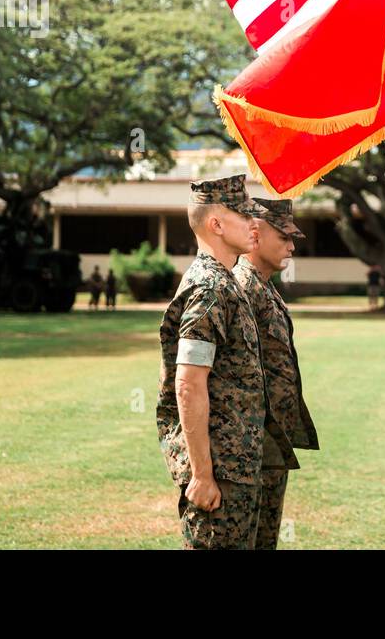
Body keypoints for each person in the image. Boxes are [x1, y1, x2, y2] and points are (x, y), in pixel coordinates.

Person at [156, 175, 291, 550]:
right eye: (244, 215)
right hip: (220, 471)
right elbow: (188, 383)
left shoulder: (226, 282)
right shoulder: (210, 287)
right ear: (216, 224)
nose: (254, 224)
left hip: (238, 466)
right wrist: (201, 474)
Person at [235, 198, 317, 549]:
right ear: (255, 233)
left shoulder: (265, 287)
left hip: (271, 442)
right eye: (284, 237)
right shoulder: (240, 287)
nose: (292, 246)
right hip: (245, 445)